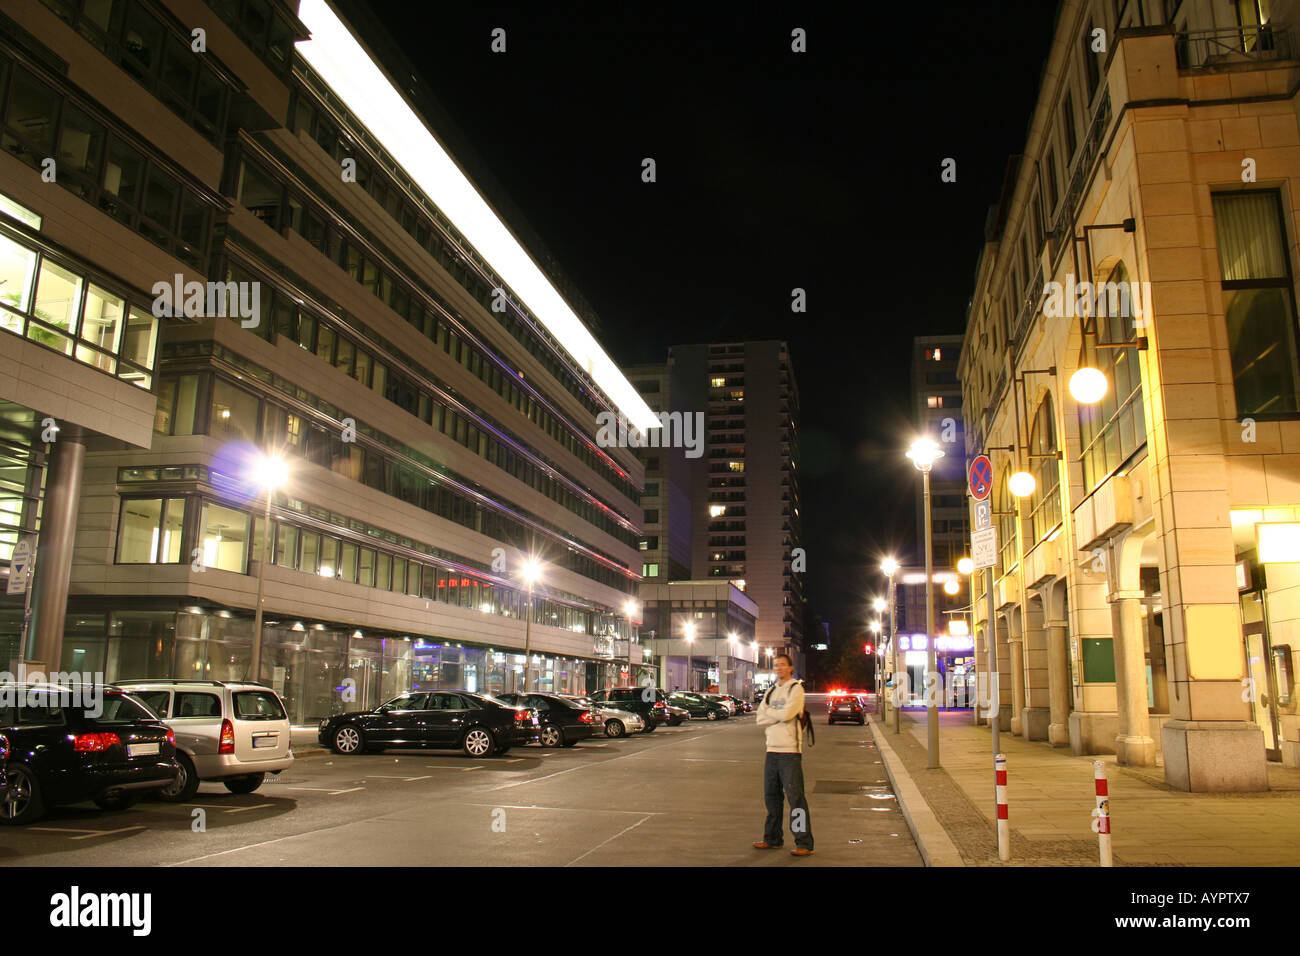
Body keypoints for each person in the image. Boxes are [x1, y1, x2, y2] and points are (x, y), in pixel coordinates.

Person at [753, 653, 813, 856]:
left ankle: (803, 842)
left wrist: (771, 714)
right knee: (771, 797)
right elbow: (759, 718)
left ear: (790, 668)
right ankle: (772, 838)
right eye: (776, 665)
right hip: (771, 750)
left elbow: (789, 714)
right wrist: (775, 716)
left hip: (790, 751)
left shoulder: (796, 689)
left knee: (795, 798)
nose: (778, 668)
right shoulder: (771, 691)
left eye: (782, 665)